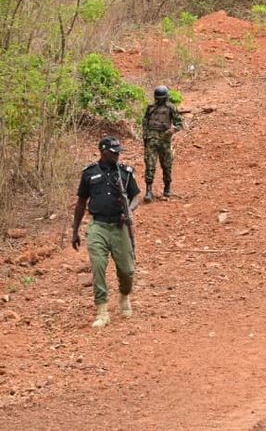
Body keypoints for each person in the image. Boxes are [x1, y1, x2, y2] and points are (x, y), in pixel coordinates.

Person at [71, 136, 140, 327]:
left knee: (127, 270)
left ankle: (124, 295)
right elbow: (81, 203)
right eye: (113, 152)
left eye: (118, 152)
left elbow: (136, 196)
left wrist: (130, 210)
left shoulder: (125, 173)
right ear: (103, 152)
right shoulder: (89, 173)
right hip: (98, 226)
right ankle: (102, 310)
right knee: (98, 267)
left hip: (119, 226)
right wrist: (75, 231)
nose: (117, 155)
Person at [141, 85, 183, 202]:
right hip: (151, 140)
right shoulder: (150, 107)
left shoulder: (171, 108)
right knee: (149, 165)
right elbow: (145, 121)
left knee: (166, 165)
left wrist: (172, 130)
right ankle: (148, 191)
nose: (160, 100)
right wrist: (145, 135)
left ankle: (167, 187)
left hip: (164, 141)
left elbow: (180, 123)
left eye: (162, 98)